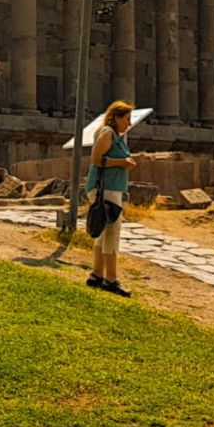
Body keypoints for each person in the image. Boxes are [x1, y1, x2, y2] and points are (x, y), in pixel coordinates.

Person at [84, 99, 138, 297]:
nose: (129, 124)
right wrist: (121, 163)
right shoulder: (107, 133)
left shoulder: (114, 135)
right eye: (126, 119)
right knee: (112, 233)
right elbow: (96, 159)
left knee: (103, 232)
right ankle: (111, 279)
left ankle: (97, 274)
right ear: (115, 118)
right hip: (106, 189)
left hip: (110, 188)